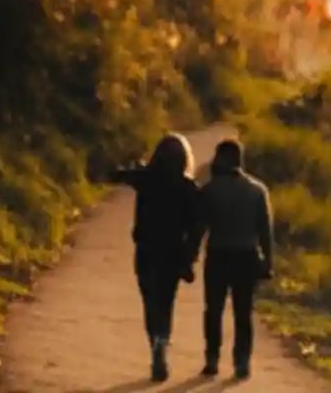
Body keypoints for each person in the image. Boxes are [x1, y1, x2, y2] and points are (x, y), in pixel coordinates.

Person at [110, 133, 200, 383]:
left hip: (146, 249)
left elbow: (116, 174)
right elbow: (195, 227)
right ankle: (162, 341)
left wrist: (127, 162)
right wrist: (190, 257)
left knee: (149, 301)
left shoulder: (146, 179)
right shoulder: (189, 188)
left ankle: (155, 344)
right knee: (166, 300)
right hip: (173, 253)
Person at [191, 137, 274, 380]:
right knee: (243, 313)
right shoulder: (258, 190)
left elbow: (199, 227)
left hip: (218, 254)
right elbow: (265, 231)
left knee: (213, 310)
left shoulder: (209, 190)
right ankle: (241, 362)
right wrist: (268, 262)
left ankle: (212, 359)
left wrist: (191, 256)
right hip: (246, 256)